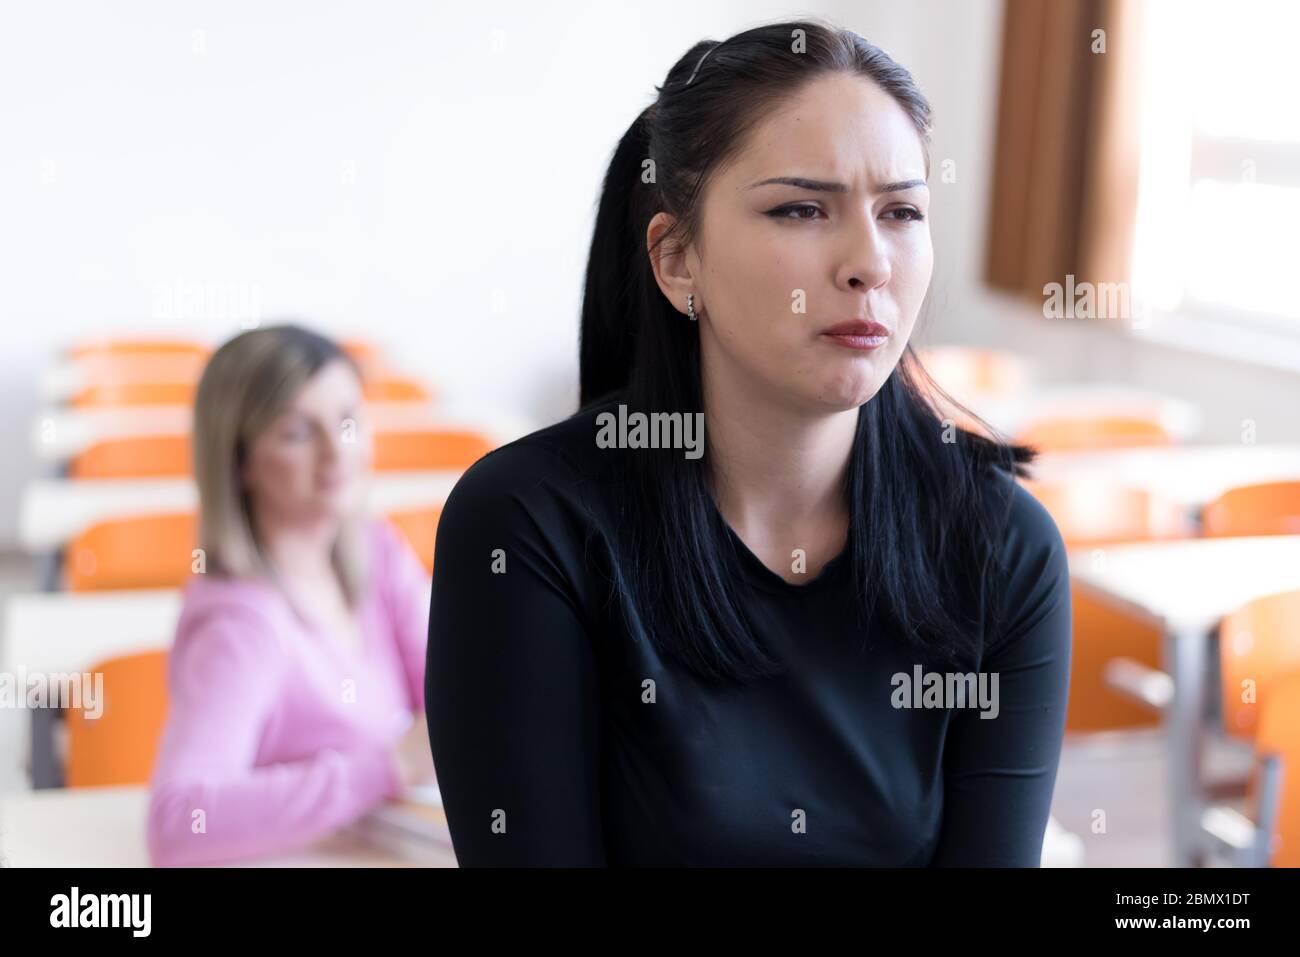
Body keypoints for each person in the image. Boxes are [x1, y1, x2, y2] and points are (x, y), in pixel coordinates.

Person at [426, 19, 1071, 866]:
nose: (868, 262)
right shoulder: (527, 526)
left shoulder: (1001, 545)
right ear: (677, 259)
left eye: (901, 211)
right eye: (801, 208)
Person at [147, 324, 435, 867]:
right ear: (239, 462)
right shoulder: (239, 627)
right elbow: (177, 822)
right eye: (298, 432)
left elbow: (445, 691)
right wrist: (389, 766)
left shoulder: (376, 551)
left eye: (348, 422)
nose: (337, 453)